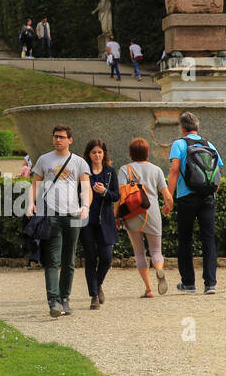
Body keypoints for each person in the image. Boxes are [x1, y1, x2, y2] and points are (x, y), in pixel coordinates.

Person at [31, 125, 91, 317]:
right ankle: (53, 301)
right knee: (52, 259)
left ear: (70, 140)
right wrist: (30, 204)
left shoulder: (79, 162)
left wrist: (86, 206)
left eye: (62, 137)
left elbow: (86, 187)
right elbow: (35, 184)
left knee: (69, 259)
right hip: (51, 215)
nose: (58, 140)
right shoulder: (44, 160)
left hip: (73, 214)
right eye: (56, 136)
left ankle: (65, 298)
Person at [168, 111, 223, 294]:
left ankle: (189, 283)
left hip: (186, 196)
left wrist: (169, 197)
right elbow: (218, 171)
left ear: (182, 128)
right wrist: (212, 191)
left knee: (185, 239)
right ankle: (210, 284)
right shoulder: (209, 144)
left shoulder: (179, 144)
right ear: (197, 128)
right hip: (207, 197)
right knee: (208, 239)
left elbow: (175, 170)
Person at [119, 138, 174, 298]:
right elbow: (167, 196)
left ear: (130, 153)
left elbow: (120, 194)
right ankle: (159, 269)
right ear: (147, 152)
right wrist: (168, 207)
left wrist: (117, 214)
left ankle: (149, 289)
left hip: (132, 212)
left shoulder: (125, 169)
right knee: (156, 250)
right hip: (152, 212)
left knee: (139, 252)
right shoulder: (156, 170)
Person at [79, 139, 119, 309]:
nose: (97, 155)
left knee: (106, 257)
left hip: (105, 220)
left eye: (100, 152)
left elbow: (116, 196)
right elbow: (76, 192)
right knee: (90, 257)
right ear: (89, 154)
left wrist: (104, 192)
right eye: (94, 152)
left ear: (104, 154)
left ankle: (98, 283)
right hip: (87, 219)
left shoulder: (110, 172)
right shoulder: (83, 172)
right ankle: (94, 295)